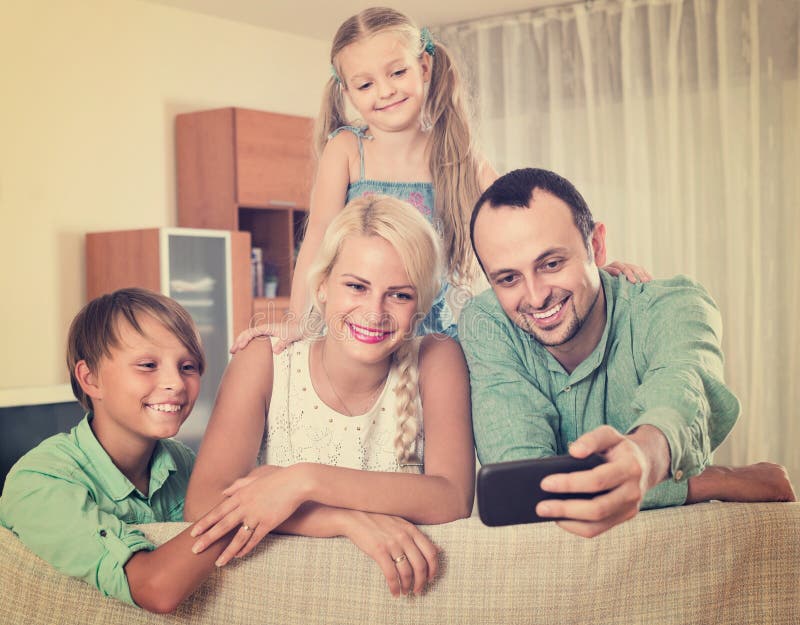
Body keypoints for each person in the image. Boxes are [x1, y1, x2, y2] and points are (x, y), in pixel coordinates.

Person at [231, 6, 648, 354]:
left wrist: (592, 265)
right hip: (364, 323)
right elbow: (319, 236)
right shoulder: (345, 149)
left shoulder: (456, 153)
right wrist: (297, 321)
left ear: (424, 66)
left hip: (434, 330)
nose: (385, 91)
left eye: (397, 72)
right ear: (346, 92)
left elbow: (526, 219)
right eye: (365, 84)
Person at [459, 168, 796, 538]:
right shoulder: (485, 322)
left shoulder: (672, 305)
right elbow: (521, 485)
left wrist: (645, 457)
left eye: (552, 264)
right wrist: (707, 482)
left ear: (597, 246)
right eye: (509, 279)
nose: (537, 297)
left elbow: (681, 392)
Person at [185, 195, 474, 597]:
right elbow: (202, 504)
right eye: (356, 286)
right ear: (322, 286)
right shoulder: (264, 362)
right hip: (287, 594)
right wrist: (344, 520)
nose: (374, 312)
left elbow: (452, 498)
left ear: (420, 305)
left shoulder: (437, 358)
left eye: (400, 295)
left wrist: (304, 481)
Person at [0, 288, 235, 613]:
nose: (177, 383)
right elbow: (155, 590)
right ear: (90, 379)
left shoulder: (182, 462)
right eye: (148, 365)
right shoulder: (38, 482)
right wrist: (242, 509)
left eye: (188, 367)